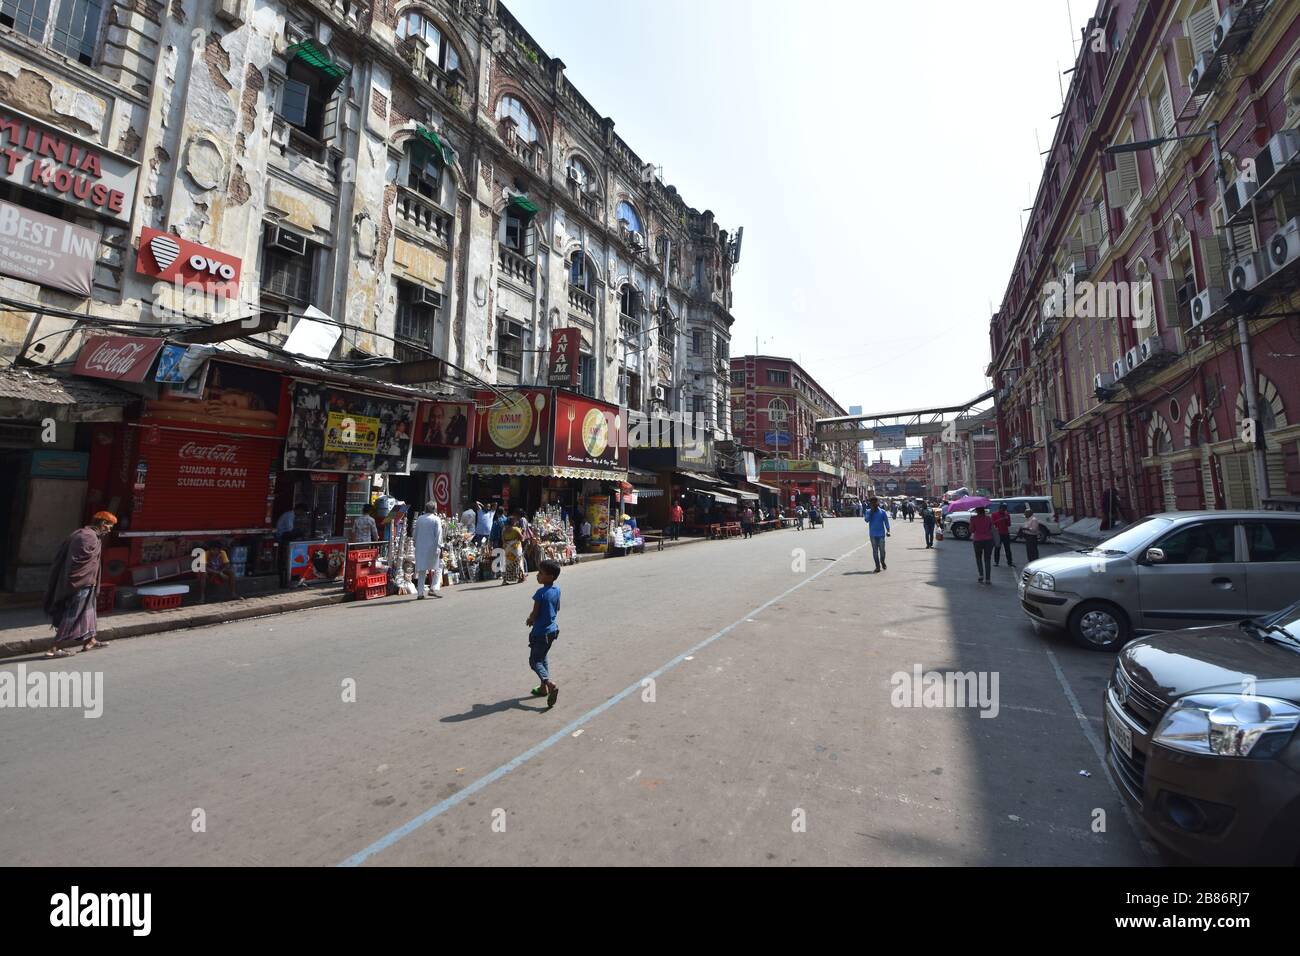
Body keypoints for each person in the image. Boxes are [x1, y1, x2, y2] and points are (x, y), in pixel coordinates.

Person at [44, 512, 117, 657]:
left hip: (88, 582)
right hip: (80, 583)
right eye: (109, 525)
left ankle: (90, 640)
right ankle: (53, 648)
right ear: (102, 523)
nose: (110, 529)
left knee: (89, 613)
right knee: (72, 615)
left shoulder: (89, 535)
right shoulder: (87, 536)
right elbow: (78, 563)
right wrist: (81, 581)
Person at [525, 559, 563, 709]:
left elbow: (534, 614)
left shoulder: (540, 593)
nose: (537, 575)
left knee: (535, 661)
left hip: (540, 633)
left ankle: (549, 683)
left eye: (541, 573)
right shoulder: (557, 590)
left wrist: (530, 619)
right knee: (543, 656)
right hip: (553, 630)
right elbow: (557, 607)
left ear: (550, 576)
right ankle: (543, 688)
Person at [413, 502, 444, 599]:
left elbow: (415, 533)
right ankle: (433, 588)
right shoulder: (436, 519)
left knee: (422, 570)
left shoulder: (420, 519)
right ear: (434, 509)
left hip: (421, 548)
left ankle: (420, 593)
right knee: (439, 566)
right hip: (433, 548)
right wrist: (441, 547)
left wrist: (415, 544)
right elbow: (439, 535)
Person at [275, 503, 308, 588]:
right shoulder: (289, 515)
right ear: (299, 510)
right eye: (302, 512)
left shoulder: (292, 515)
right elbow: (290, 529)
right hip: (282, 536)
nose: (302, 514)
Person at [971, 505, 994, 584]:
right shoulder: (988, 518)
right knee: (987, 559)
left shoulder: (973, 518)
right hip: (988, 540)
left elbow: (972, 530)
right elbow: (991, 528)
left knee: (978, 558)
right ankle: (988, 579)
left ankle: (981, 575)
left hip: (978, 540)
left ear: (977, 511)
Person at [501, 517, 526, 585]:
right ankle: (521, 577)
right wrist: (523, 532)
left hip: (507, 549)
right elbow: (522, 539)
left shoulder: (504, 529)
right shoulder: (516, 529)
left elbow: (503, 540)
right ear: (513, 522)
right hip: (516, 549)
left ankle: (505, 580)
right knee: (518, 562)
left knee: (508, 564)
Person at [992, 502, 1014, 569]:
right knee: (997, 548)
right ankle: (996, 562)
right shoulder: (994, 514)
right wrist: (1000, 520)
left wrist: (1006, 520)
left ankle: (1010, 562)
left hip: (1005, 533)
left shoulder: (1007, 514)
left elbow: (1009, 524)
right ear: (999, 508)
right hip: (998, 533)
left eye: (1005, 509)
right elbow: (992, 523)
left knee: (1007, 548)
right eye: (1003, 509)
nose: (1004, 510)